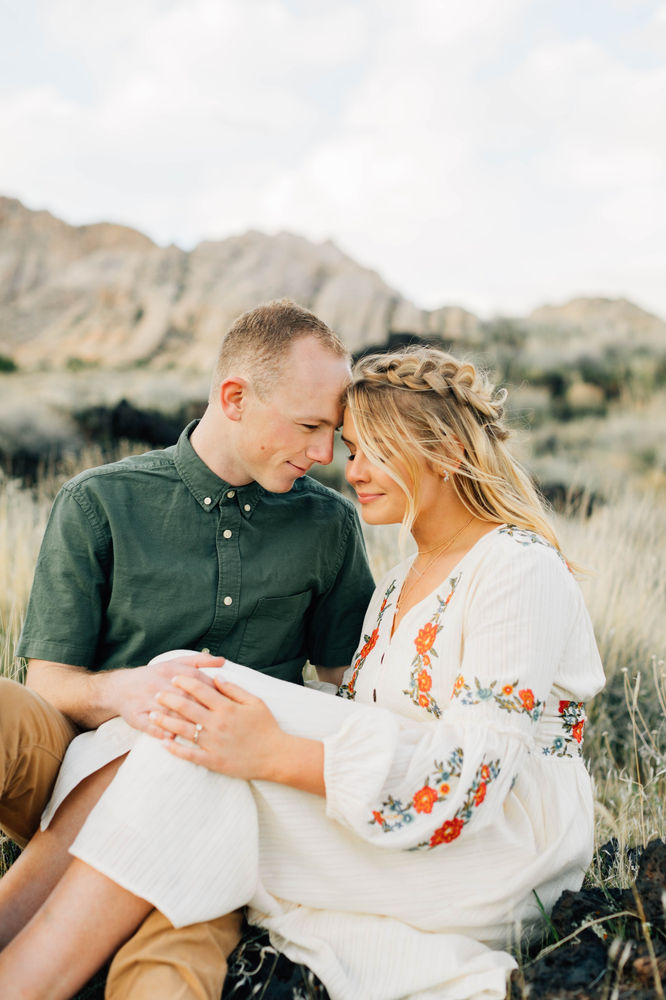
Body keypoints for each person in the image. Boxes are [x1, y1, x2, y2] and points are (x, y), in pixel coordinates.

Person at [0, 347, 605, 1000]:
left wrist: (271, 751)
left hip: (505, 848)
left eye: (374, 450)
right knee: (190, 704)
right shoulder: (400, 581)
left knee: (193, 704)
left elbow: (479, 775)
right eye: (351, 449)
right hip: (404, 823)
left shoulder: (516, 565)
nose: (351, 471)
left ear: (448, 452)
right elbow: (362, 714)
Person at [0, 299, 375, 998]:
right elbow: (49, 681)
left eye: (333, 432)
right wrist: (123, 693)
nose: (325, 454)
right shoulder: (98, 503)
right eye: (309, 426)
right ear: (234, 397)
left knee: (170, 976)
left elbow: (349, 684)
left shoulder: (331, 525)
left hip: (220, 809)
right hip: (79, 759)